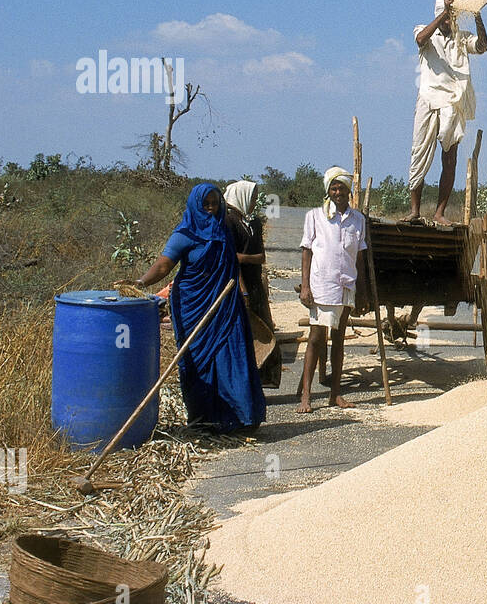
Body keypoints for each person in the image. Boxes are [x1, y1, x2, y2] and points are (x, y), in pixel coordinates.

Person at [132, 184, 265, 432]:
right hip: (193, 306)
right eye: (207, 204)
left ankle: (239, 419)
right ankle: (204, 420)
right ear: (196, 205)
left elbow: (231, 264)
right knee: (198, 361)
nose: (212, 208)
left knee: (231, 356)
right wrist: (140, 282)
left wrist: (243, 292)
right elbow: (163, 266)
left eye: (215, 203)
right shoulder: (184, 234)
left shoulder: (224, 229)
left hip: (225, 304)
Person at [408, 0, 487, 225]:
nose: (449, 20)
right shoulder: (425, 31)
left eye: (452, 16)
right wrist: (445, 10)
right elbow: (421, 40)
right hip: (428, 99)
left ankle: (439, 213)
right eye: (446, 16)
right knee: (419, 154)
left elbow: (482, 46)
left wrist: (477, 16)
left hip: (453, 103)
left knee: (449, 158)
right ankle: (415, 211)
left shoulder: (462, 37)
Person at [298, 167, 369, 414]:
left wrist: (362, 291)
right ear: (328, 191)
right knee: (316, 339)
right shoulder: (315, 216)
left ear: (349, 192)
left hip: (346, 285)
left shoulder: (358, 220)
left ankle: (335, 394)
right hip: (322, 285)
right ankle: (306, 396)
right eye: (334, 188)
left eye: (342, 188)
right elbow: (306, 251)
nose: (338, 192)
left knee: (338, 341)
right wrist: (305, 286)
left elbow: (359, 258)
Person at [224, 179, 281, 388]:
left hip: (255, 285)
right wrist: (244, 291)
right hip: (241, 287)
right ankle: (245, 384)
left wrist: (248, 258)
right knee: (246, 335)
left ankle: (262, 380)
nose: (254, 201)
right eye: (252, 197)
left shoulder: (253, 223)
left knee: (265, 332)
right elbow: (231, 259)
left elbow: (261, 256)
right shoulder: (228, 222)